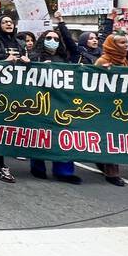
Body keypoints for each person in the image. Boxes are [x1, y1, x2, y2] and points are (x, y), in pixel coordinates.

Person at [27, 13, 82, 184]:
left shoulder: (65, 58)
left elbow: (74, 48)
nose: (53, 41)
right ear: (42, 40)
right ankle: (38, 167)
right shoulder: (34, 57)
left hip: (62, 104)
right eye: (49, 38)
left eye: (56, 39)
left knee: (63, 137)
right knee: (40, 136)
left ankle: (64, 171)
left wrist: (62, 24)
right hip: (40, 103)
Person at [93, 32, 128, 186]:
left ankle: (102, 162)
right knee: (111, 138)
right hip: (105, 107)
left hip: (120, 106)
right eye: (122, 43)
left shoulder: (124, 61)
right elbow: (93, 83)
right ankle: (112, 173)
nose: (126, 46)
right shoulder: (102, 61)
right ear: (113, 45)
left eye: (126, 43)